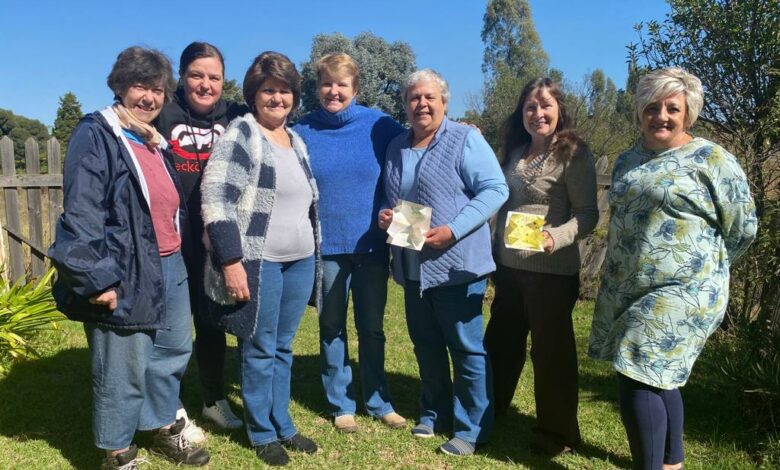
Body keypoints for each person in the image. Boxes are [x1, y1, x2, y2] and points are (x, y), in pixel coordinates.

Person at [48, 46, 210, 469]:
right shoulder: (98, 132)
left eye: (158, 90)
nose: (150, 97)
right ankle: (117, 452)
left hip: (169, 262)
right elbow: (82, 209)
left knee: (173, 349)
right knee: (122, 364)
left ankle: (158, 425)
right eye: (141, 86)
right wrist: (97, 277)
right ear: (119, 85)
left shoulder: (150, 138)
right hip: (124, 266)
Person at [588, 67, 757, 470]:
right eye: (652, 107)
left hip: (685, 288)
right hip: (630, 284)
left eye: (672, 108)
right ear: (639, 112)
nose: (661, 115)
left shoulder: (711, 159)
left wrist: (704, 268)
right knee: (660, 373)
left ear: (689, 113)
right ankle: (672, 462)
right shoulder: (629, 158)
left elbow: (744, 226)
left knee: (635, 368)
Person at [378, 69, 508, 456]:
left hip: (457, 264)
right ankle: (433, 411)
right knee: (426, 344)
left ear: (444, 102)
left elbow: (496, 189)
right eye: (414, 98)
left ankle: (471, 428)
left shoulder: (464, 139)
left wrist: (453, 229)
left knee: (466, 348)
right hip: (413, 265)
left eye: (430, 97)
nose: (422, 104)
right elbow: (397, 199)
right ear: (406, 105)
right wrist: (389, 216)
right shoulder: (397, 146)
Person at [200, 51, 320, 467]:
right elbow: (216, 200)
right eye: (269, 90)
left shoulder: (296, 140)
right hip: (260, 261)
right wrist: (231, 261)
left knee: (283, 347)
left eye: (285, 91)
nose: (277, 98)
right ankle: (262, 431)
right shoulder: (242, 135)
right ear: (254, 95)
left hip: (300, 259)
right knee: (258, 346)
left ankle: (283, 422)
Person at [484, 77, 598, 454]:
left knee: (551, 353)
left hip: (551, 273)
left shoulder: (574, 153)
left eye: (545, 106)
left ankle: (557, 432)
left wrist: (556, 237)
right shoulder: (515, 152)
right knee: (500, 342)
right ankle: (488, 409)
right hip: (510, 268)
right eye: (530, 107)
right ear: (522, 113)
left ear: (559, 109)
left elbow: (587, 215)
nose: (538, 114)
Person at [293, 53, 406, 433]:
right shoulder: (302, 131)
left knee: (371, 327)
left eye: (342, 84)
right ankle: (340, 403)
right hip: (326, 248)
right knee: (331, 327)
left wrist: (461, 130)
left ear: (355, 89)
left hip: (372, 246)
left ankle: (378, 400)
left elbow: (417, 145)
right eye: (326, 83)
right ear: (317, 87)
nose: (333, 91)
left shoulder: (381, 125)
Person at [155, 41, 246, 436]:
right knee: (170, 327)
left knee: (211, 323)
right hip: (173, 239)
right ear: (182, 76)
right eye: (197, 75)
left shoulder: (236, 115)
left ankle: (213, 398)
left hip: (216, 241)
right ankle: (168, 404)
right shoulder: (163, 111)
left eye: (214, 77)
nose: (206, 85)